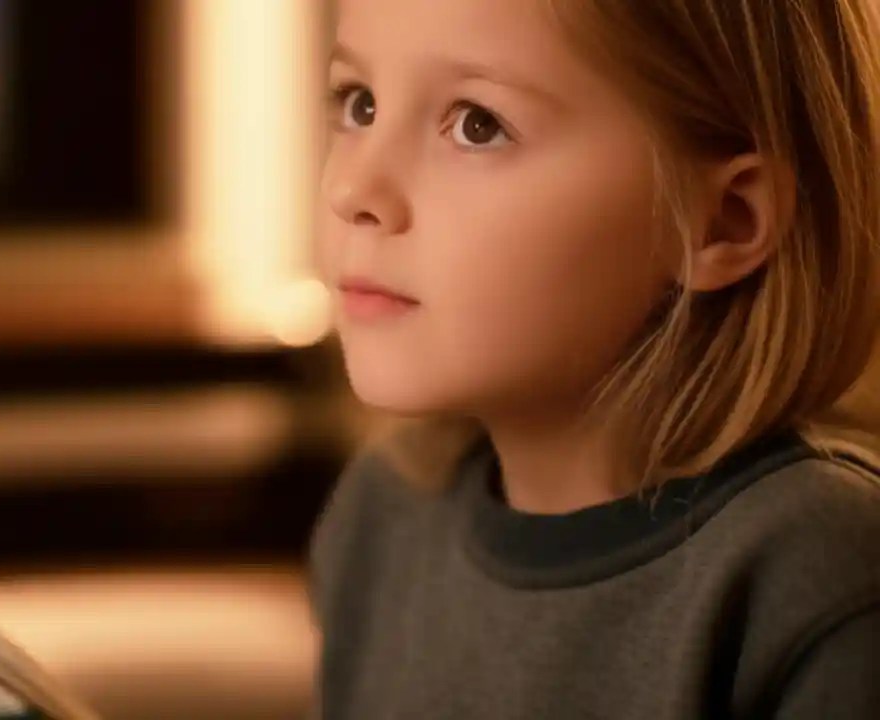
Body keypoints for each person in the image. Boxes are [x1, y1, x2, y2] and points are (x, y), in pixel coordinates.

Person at [307, 0, 880, 717]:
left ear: (723, 219)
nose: (351, 190)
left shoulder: (819, 573)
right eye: (358, 104)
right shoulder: (382, 519)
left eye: (477, 124)